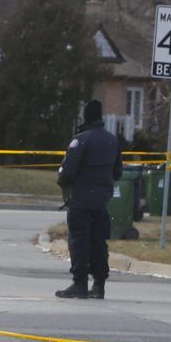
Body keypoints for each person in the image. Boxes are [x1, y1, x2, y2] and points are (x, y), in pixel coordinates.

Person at [56, 99, 123, 300]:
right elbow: (118, 172)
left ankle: (79, 284)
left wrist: (62, 180)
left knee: (79, 242)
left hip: (80, 200)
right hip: (101, 201)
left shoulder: (81, 140)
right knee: (98, 242)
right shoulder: (112, 140)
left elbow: (67, 173)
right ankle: (99, 285)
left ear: (86, 117)